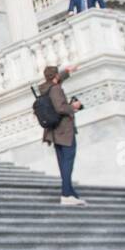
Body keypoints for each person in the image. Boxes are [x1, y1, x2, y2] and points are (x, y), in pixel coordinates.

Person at [40, 64, 87, 206]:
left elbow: (58, 80)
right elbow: (60, 108)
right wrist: (74, 106)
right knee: (68, 162)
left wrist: (68, 71)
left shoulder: (45, 88)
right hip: (64, 131)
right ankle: (66, 194)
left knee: (63, 163)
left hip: (54, 132)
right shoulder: (55, 89)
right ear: (55, 76)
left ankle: (70, 192)